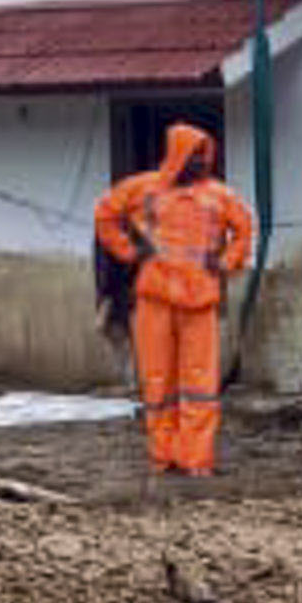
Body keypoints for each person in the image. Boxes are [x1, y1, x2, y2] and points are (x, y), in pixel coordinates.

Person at [93, 122, 257, 477]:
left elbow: (245, 229)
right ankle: (162, 456)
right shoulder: (144, 189)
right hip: (155, 297)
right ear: (177, 154)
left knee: (199, 386)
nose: (199, 162)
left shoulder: (220, 195)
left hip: (200, 301)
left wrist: (226, 262)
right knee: (157, 382)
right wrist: (129, 251)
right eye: (194, 155)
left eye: (204, 155)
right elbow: (105, 214)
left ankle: (196, 460)